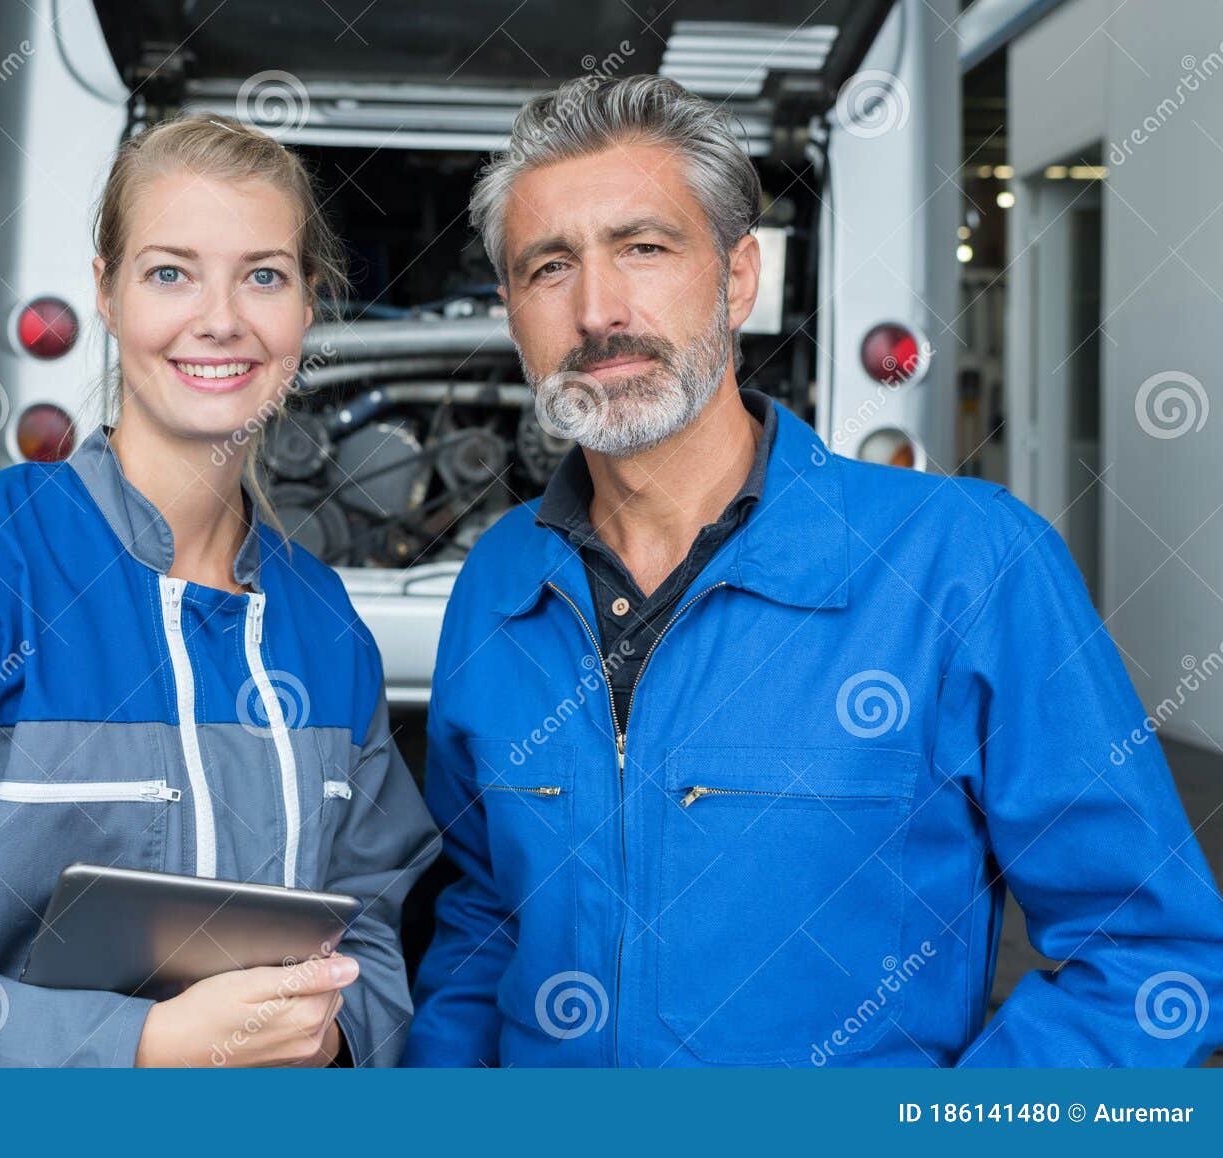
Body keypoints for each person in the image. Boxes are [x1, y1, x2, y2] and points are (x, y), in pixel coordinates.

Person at [403, 75, 1223, 1067]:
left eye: (644, 249)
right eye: (547, 267)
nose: (597, 310)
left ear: (738, 278)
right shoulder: (496, 581)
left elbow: (1154, 955)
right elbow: (483, 919)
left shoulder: (963, 565)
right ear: (510, 312)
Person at [0, 114, 439, 1067]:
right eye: (170, 272)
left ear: (308, 306)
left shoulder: (324, 628)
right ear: (105, 290)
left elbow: (381, 920)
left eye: (263, 275)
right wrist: (136, 1047)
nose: (220, 318)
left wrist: (336, 1034)